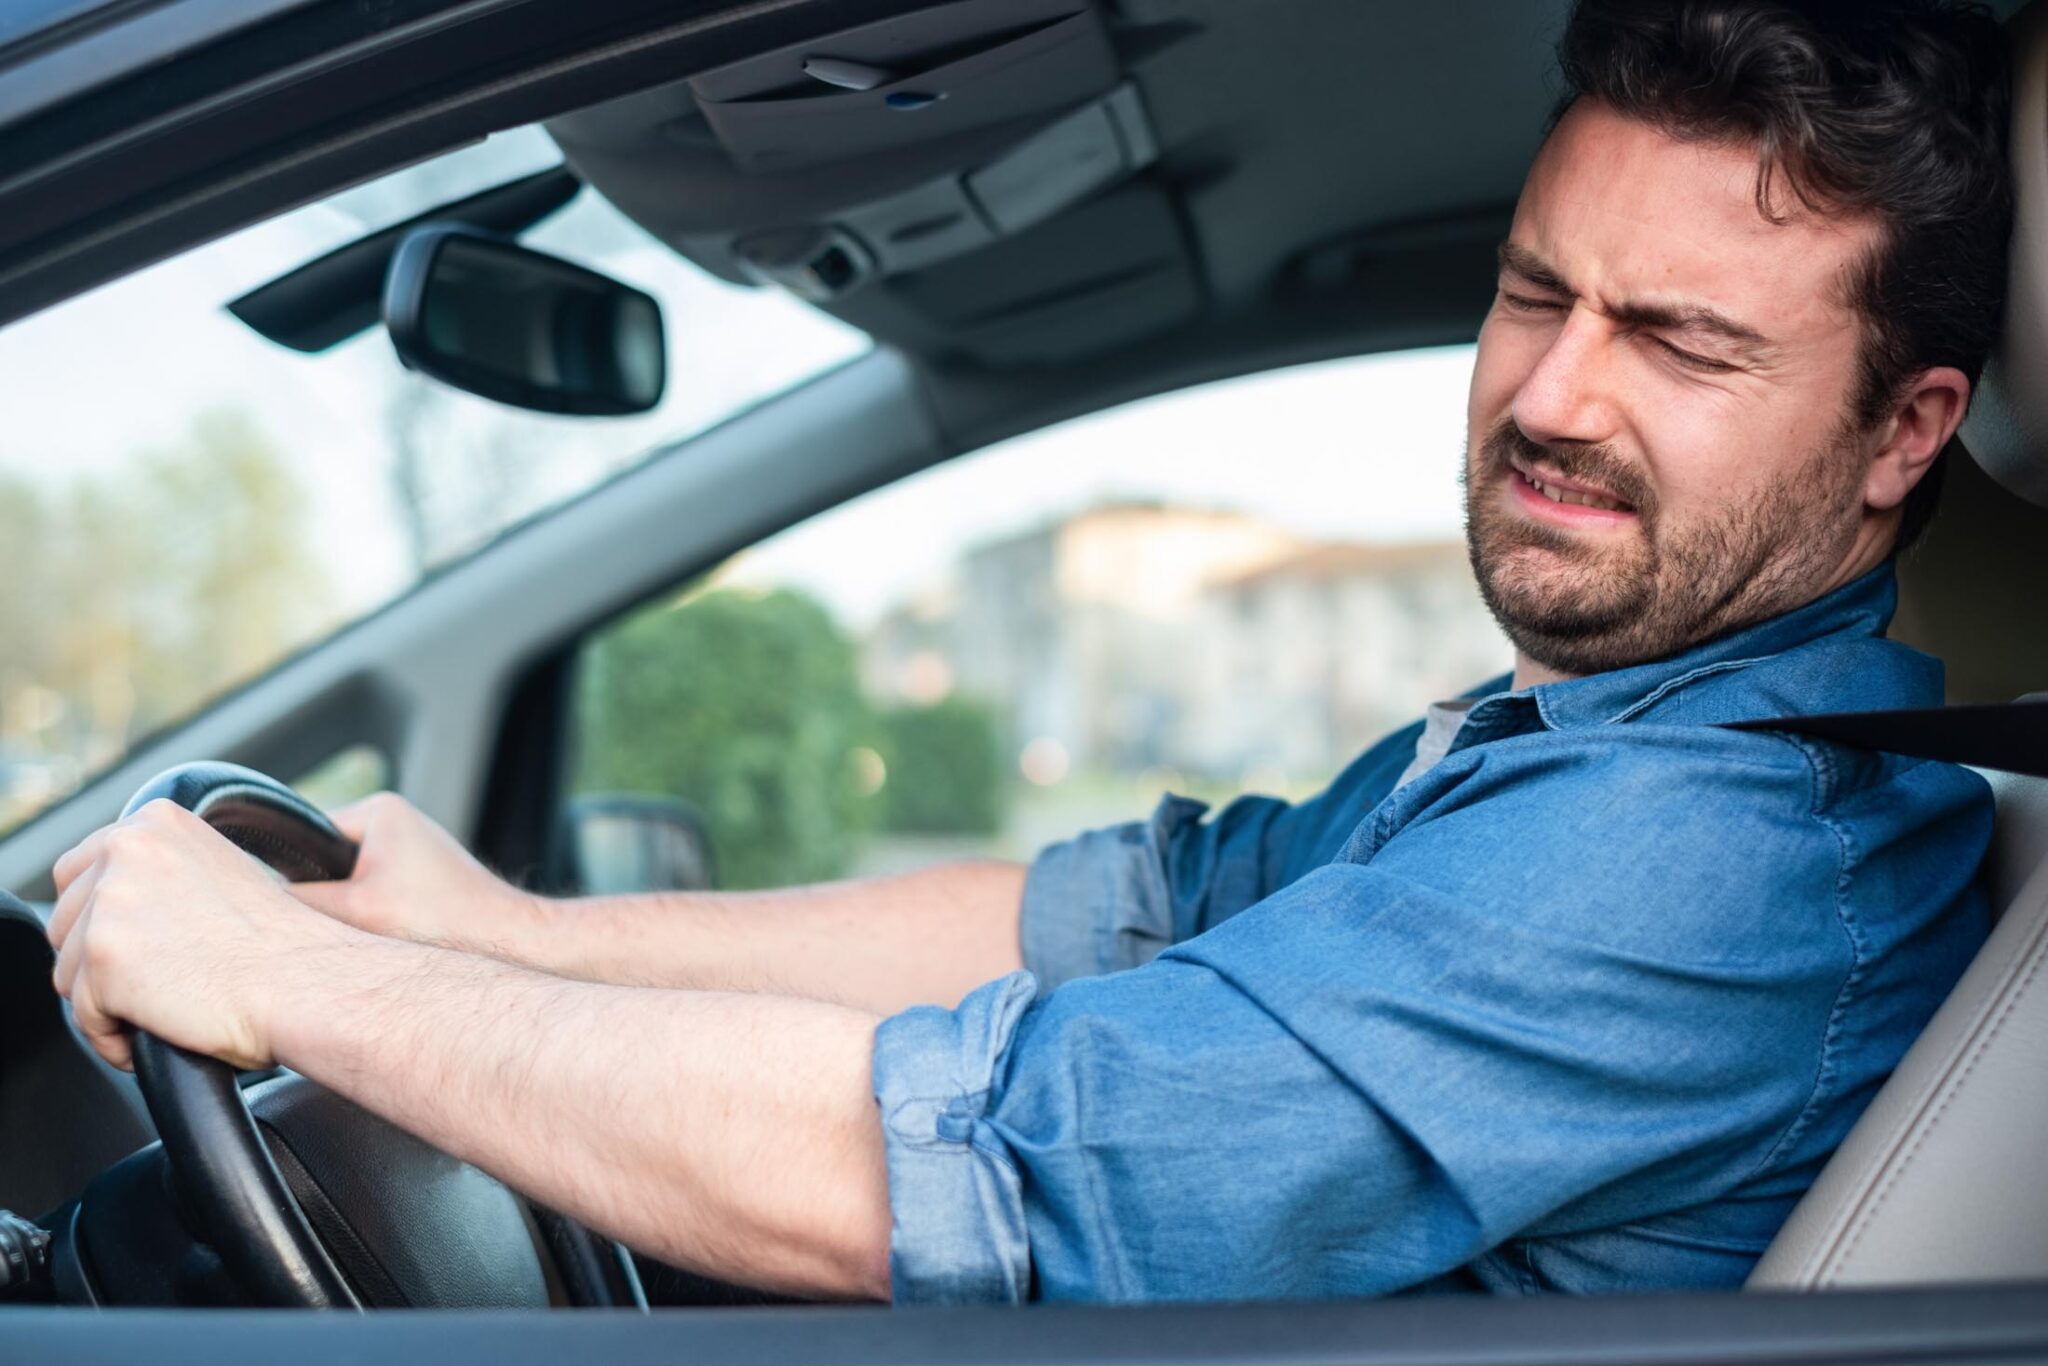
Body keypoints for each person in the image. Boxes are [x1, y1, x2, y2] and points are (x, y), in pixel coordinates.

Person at [46, 0, 2015, 1302]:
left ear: (1903, 430)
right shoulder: (1581, 747)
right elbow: (1103, 916)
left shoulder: (1709, 851)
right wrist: (486, 932)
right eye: (1531, 293)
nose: (1550, 392)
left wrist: (304, 982)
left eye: (1679, 342)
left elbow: (996, 1158)